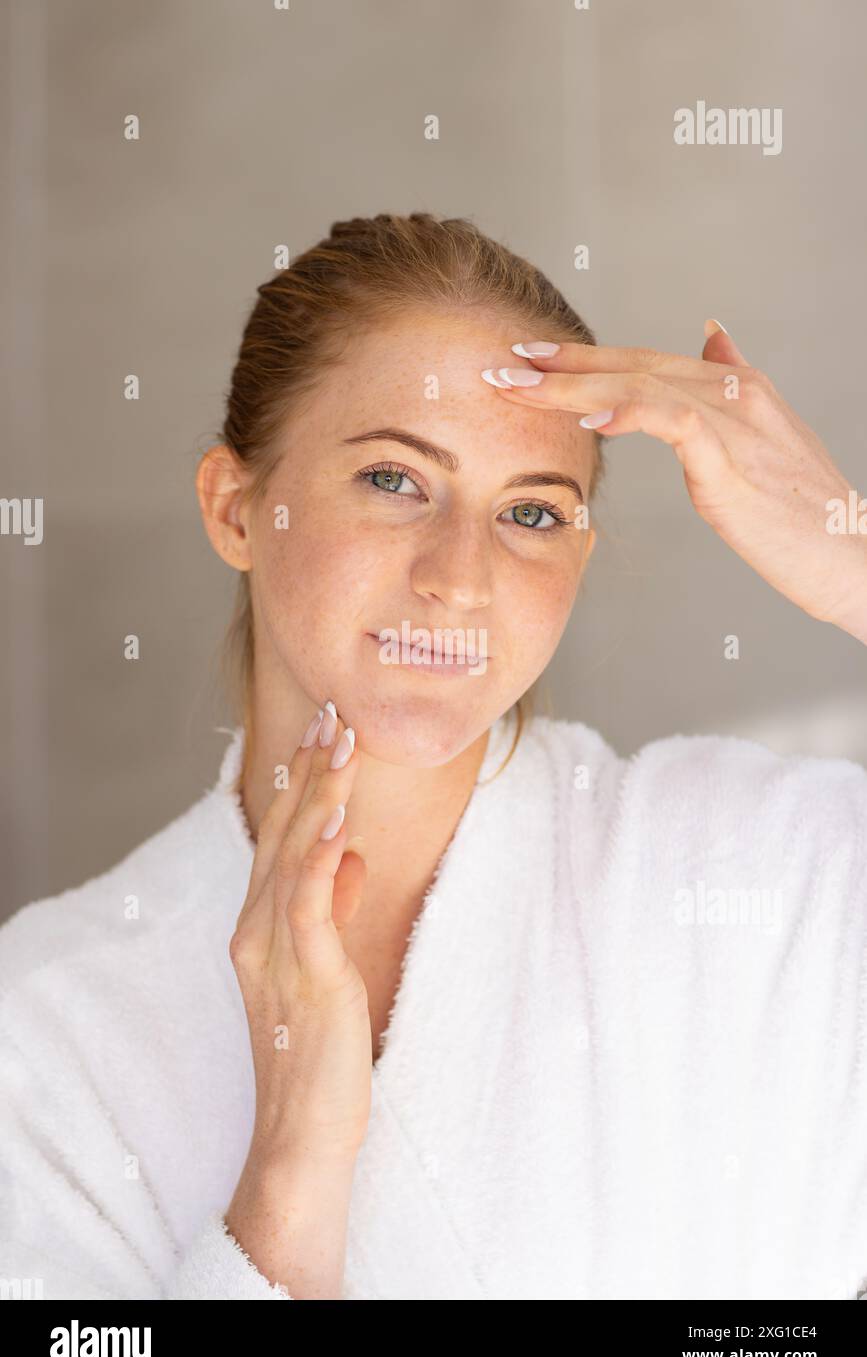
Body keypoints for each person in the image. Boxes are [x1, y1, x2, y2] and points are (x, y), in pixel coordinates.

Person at [1, 212, 866, 1301]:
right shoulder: (46, 1028)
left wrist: (851, 554)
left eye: (533, 511)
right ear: (235, 507)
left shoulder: (757, 879)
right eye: (395, 481)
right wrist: (288, 1183)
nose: (462, 576)